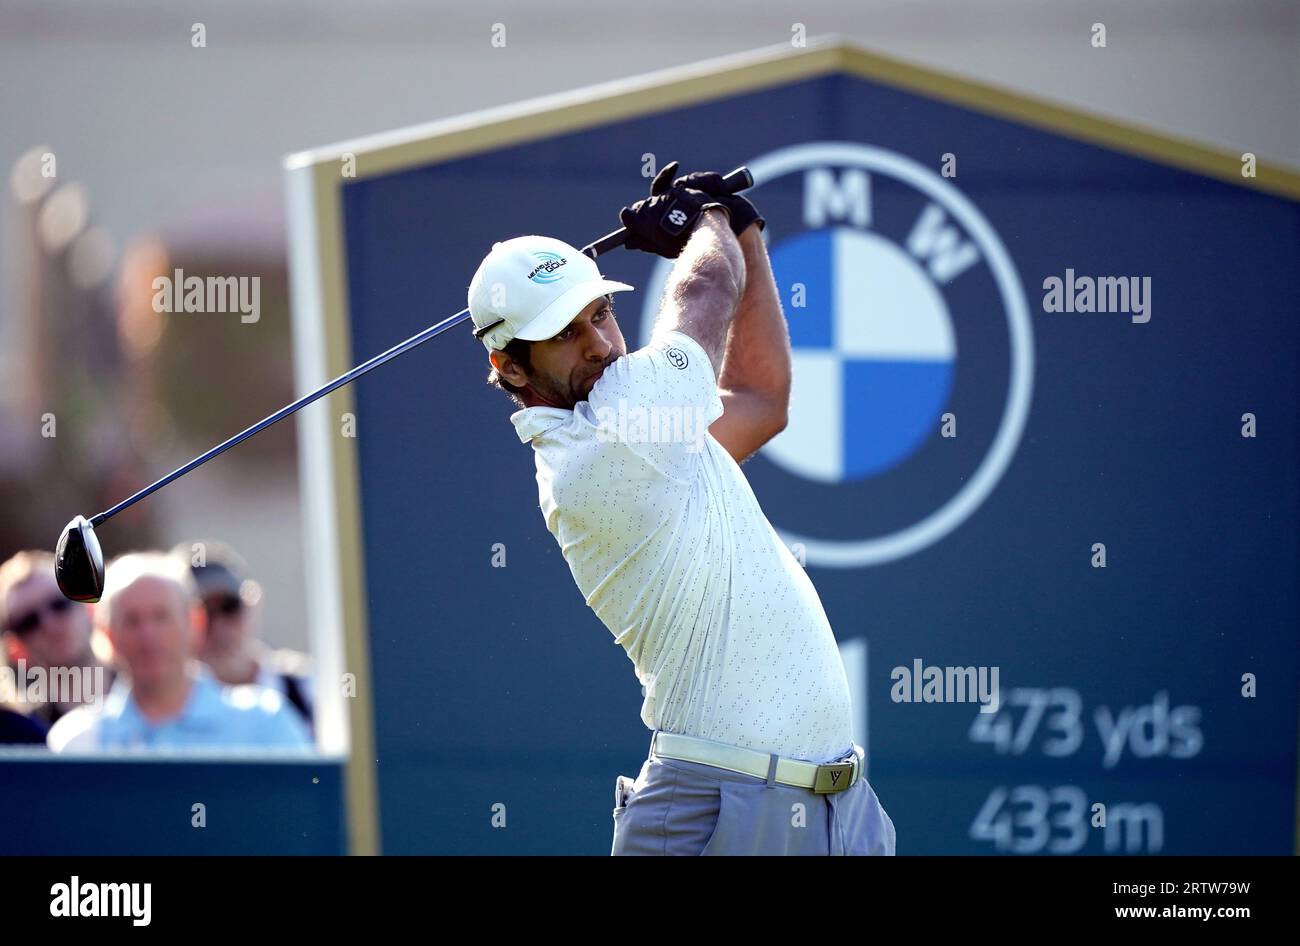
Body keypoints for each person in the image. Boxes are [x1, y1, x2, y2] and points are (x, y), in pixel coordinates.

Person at [469, 162, 895, 855]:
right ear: (511, 368)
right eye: (565, 334)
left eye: (601, 314)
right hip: (725, 809)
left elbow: (760, 398)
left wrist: (743, 232)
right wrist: (708, 222)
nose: (601, 344)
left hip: (836, 811)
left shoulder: (654, 435)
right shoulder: (605, 449)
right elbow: (703, 287)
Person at [47, 551, 311, 753]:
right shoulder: (78, 742)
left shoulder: (265, 723)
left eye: (162, 617)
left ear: (195, 622)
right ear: (108, 635)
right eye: (131, 620)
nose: (148, 635)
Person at [170, 540, 313, 732]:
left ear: (252, 604)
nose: (219, 626)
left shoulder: (308, 689)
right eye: (203, 614)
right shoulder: (156, 705)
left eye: (229, 607)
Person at [0, 550, 113, 727]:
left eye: (59, 604)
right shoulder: (27, 739)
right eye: (29, 621)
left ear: (89, 606)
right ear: (16, 649)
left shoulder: (154, 686)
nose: (49, 624)